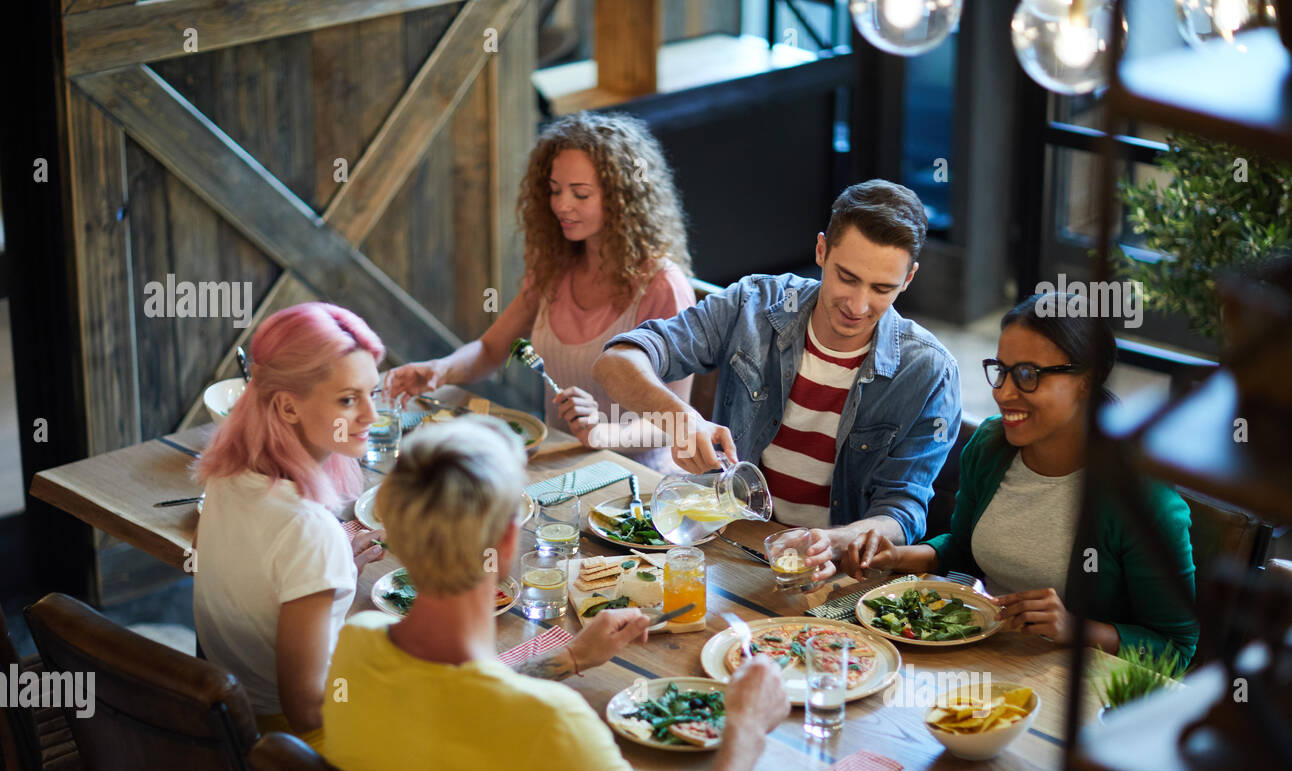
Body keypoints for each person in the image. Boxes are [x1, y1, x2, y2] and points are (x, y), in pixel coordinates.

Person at [321, 417, 791, 771]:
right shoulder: (547, 726)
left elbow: (460, 703)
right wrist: (746, 729)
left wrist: (570, 657)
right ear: (508, 542)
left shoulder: (354, 643)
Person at [592, 179, 961, 578]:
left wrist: (834, 541)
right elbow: (615, 363)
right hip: (725, 548)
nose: (858, 305)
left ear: (908, 279)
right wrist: (681, 421)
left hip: (830, 577)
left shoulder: (930, 373)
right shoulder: (753, 305)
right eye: (848, 278)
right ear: (821, 250)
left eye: (882, 289)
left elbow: (901, 512)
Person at [840, 292, 1198, 666]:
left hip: (1072, 692)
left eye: (1029, 375)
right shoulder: (991, 445)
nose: (1003, 392)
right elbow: (962, 551)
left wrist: (1075, 628)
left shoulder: (1142, 498)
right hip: (983, 658)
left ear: (1086, 380)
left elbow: (1177, 648)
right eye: (1001, 370)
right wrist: (897, 556)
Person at [384, 111, 695, 471]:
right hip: (559, 463)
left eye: (580, 193)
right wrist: (441, 370)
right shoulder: (554, 266)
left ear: (623, 196)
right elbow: (490, 350)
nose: (562, 205)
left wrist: (603, 433)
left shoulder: (662, 286)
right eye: (554, 190)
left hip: (635, 479)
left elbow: (676, 420)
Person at [192, 303, 388, 746]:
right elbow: (306, 710)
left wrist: (325, 583)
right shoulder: (310, 532)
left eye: (372, 392)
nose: (371, 416)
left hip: (229, 729)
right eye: (347, 399)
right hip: (293, 756)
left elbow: (256, 584)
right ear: (287, 407)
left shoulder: (227, 476)